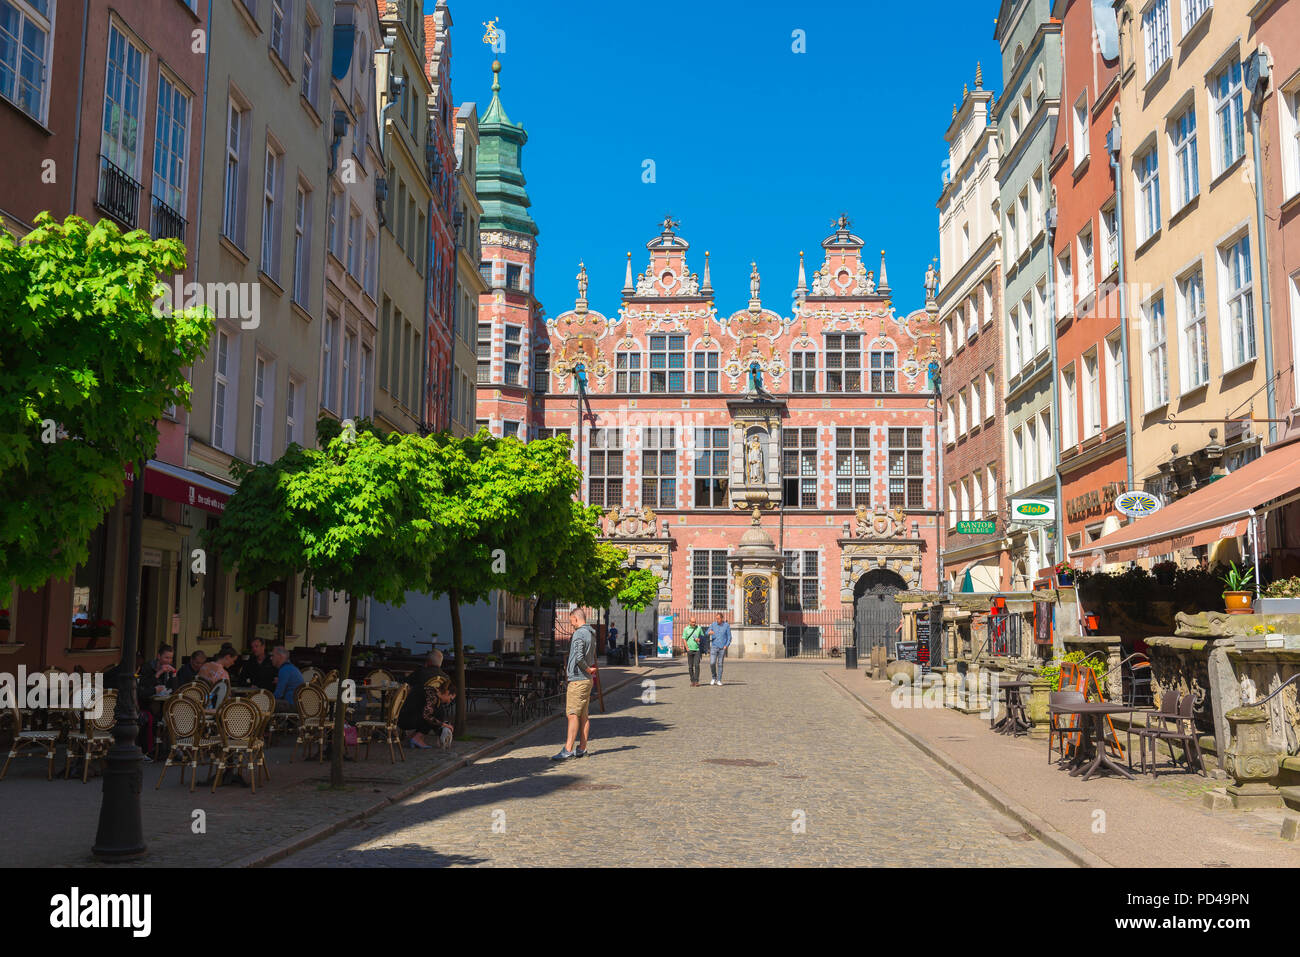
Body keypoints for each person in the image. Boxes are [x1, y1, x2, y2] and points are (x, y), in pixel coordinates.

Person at [553, 608, 596, 760]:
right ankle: (582, 748)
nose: (571, 625)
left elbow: (578, 657)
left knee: (572, 714)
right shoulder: (591, 633)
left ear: (576, 619)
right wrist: (589, 670)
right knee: (584, 715)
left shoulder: (579, 633)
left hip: (578, 679)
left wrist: (587, 668)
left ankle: (568, 749)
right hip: (586, 680)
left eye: (571, 621)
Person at [271, 645, 304, 713]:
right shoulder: (291, 668)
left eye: (273, 655)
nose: (271, 658)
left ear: (280, 656)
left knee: (264, 704)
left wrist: (266, 699)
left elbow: (278, 694)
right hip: (299, 704)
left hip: (292, 704)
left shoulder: (284, 670)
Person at [706, 612, 731, 686]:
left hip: (722, 648)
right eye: (716, 618)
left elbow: (729, 637)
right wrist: (709, 632)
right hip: (714, 646)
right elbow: (706, 632)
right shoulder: (713, 624)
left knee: (720, 664)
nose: (717, 620)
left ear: (722, 618)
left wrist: (726, 645)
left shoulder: (726, 626)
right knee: (712, 663)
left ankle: (719, 680)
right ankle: (714, 677)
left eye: (718, 618)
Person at [682, 615, 705, 687]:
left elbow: (703, 637)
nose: (694, 623)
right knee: (690, 666)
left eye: (695, 622)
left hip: (697, 649)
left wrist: (699, 639)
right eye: (692, 622)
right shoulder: (686, 629)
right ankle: (692, 681)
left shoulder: (699, 628)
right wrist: (687, 649)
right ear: (689, 622)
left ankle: (697, 681)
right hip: (690, 650)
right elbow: (684, 639)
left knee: (697, 665)